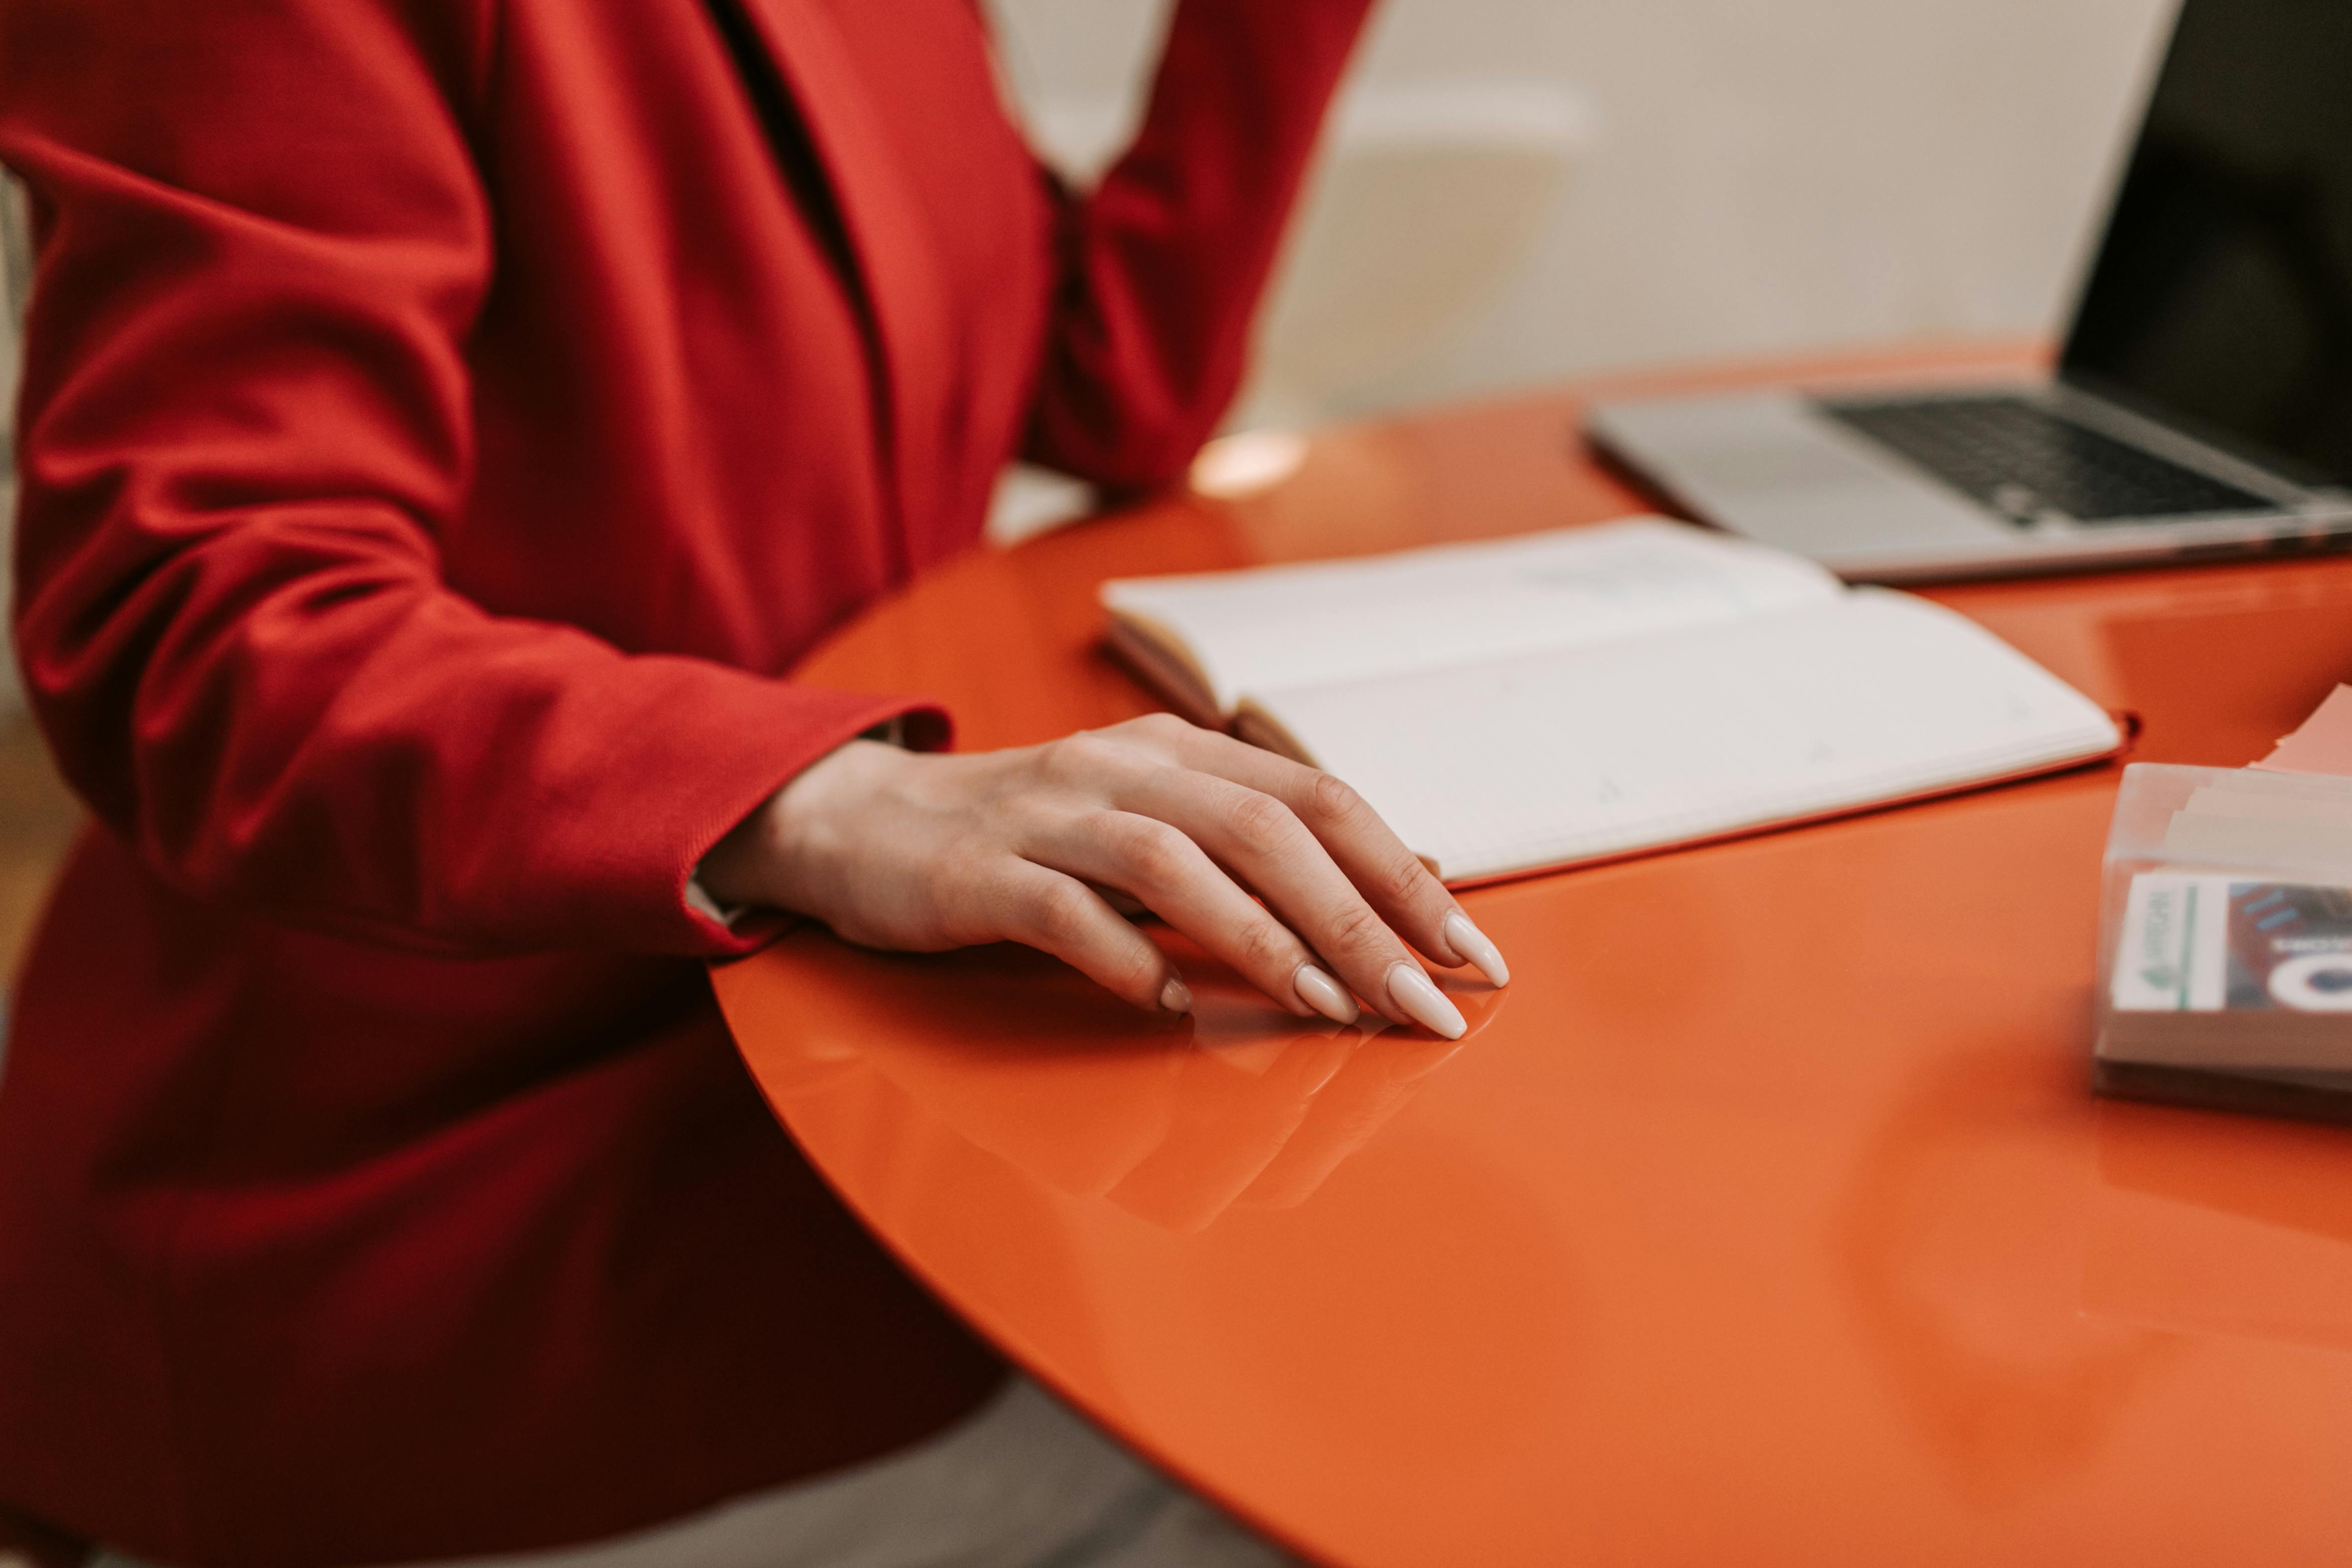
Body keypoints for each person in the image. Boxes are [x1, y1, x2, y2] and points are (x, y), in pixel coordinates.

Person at [0, 1, 1510, 1565]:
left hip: (854, 1110)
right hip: (443, 1219)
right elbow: (190, 626)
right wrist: (830, 802)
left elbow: (1102, 381)